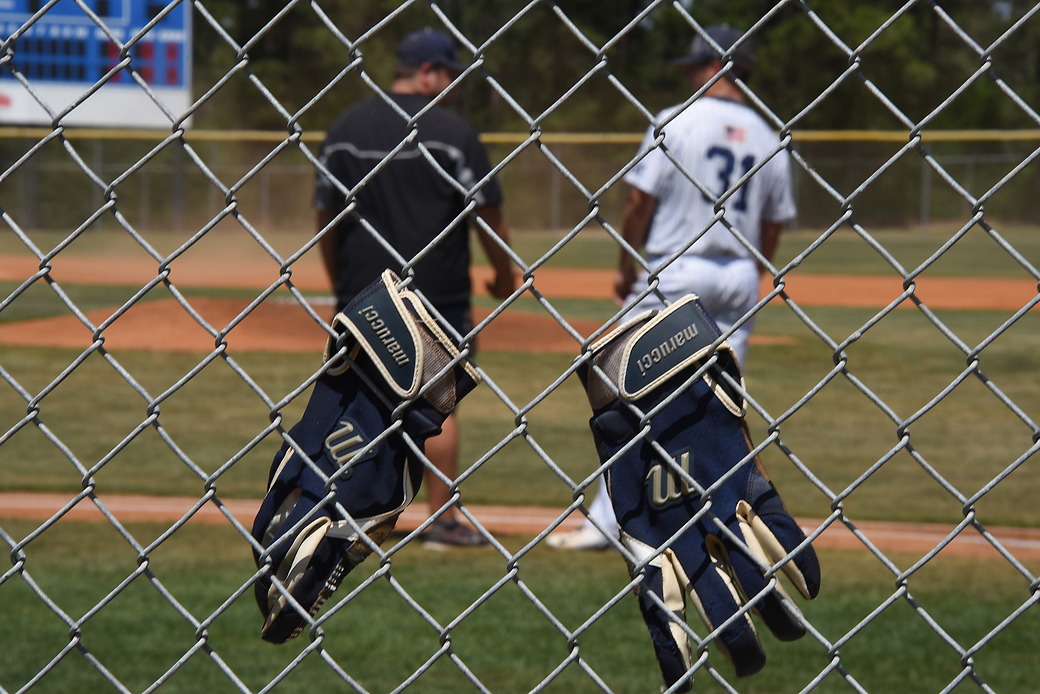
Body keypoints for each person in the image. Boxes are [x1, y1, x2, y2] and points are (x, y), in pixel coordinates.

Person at [548, 24, 796, 551]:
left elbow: (639, 202)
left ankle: (615, 521)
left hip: (673, 269)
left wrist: (626, 263)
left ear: (715, 65)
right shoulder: (768, 134)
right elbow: (775, 222)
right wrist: (754, 268)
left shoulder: (674, 121)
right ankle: (719, 516)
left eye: (693, 66)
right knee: (718, 401)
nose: (687, 75)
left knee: (631, 395)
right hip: (737, 275)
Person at [314, 28, 515, 547]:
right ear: (429, 72)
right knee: (438, 406)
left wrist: (338, 281)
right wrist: (504, 272)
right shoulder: (453, 133)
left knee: (353, 402)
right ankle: (443, 519)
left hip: (362, 294)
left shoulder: (345, 128)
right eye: (447, 74)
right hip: (437, 295)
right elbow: (487, 212)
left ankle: (339, 513)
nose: (450, 87)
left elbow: (326, 218)